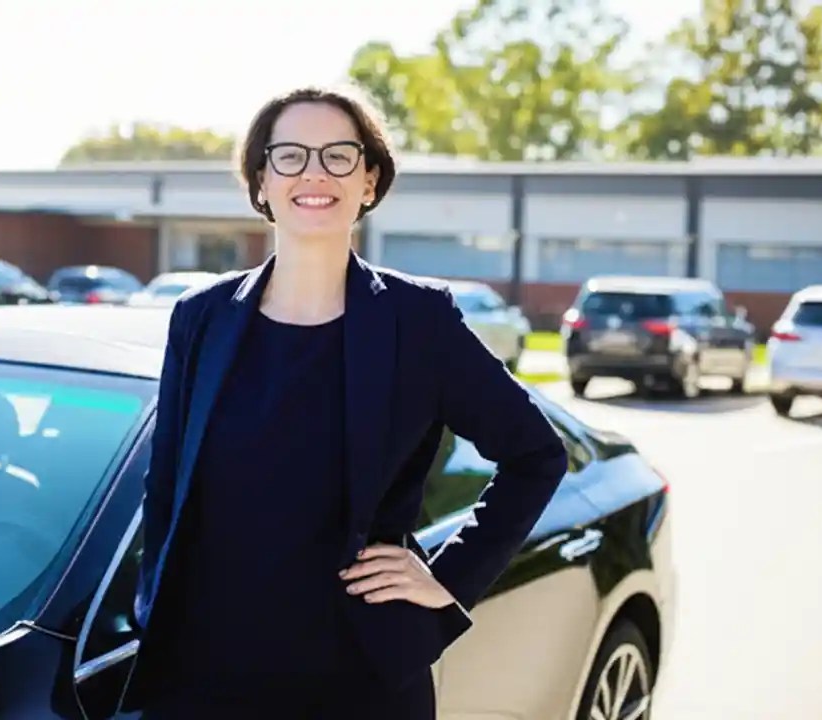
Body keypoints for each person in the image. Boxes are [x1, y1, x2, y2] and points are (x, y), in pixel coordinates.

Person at [123, 86, 569, 720]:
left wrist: (447, 577)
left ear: (369, 182)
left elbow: (535, 455)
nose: (314, 173)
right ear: (260, 180)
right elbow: (164, 485)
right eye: (291, 156)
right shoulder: (202, 319)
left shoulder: (418, 322)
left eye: (338, 156)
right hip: (202, 678)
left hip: (357, 679)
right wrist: (149, 609)